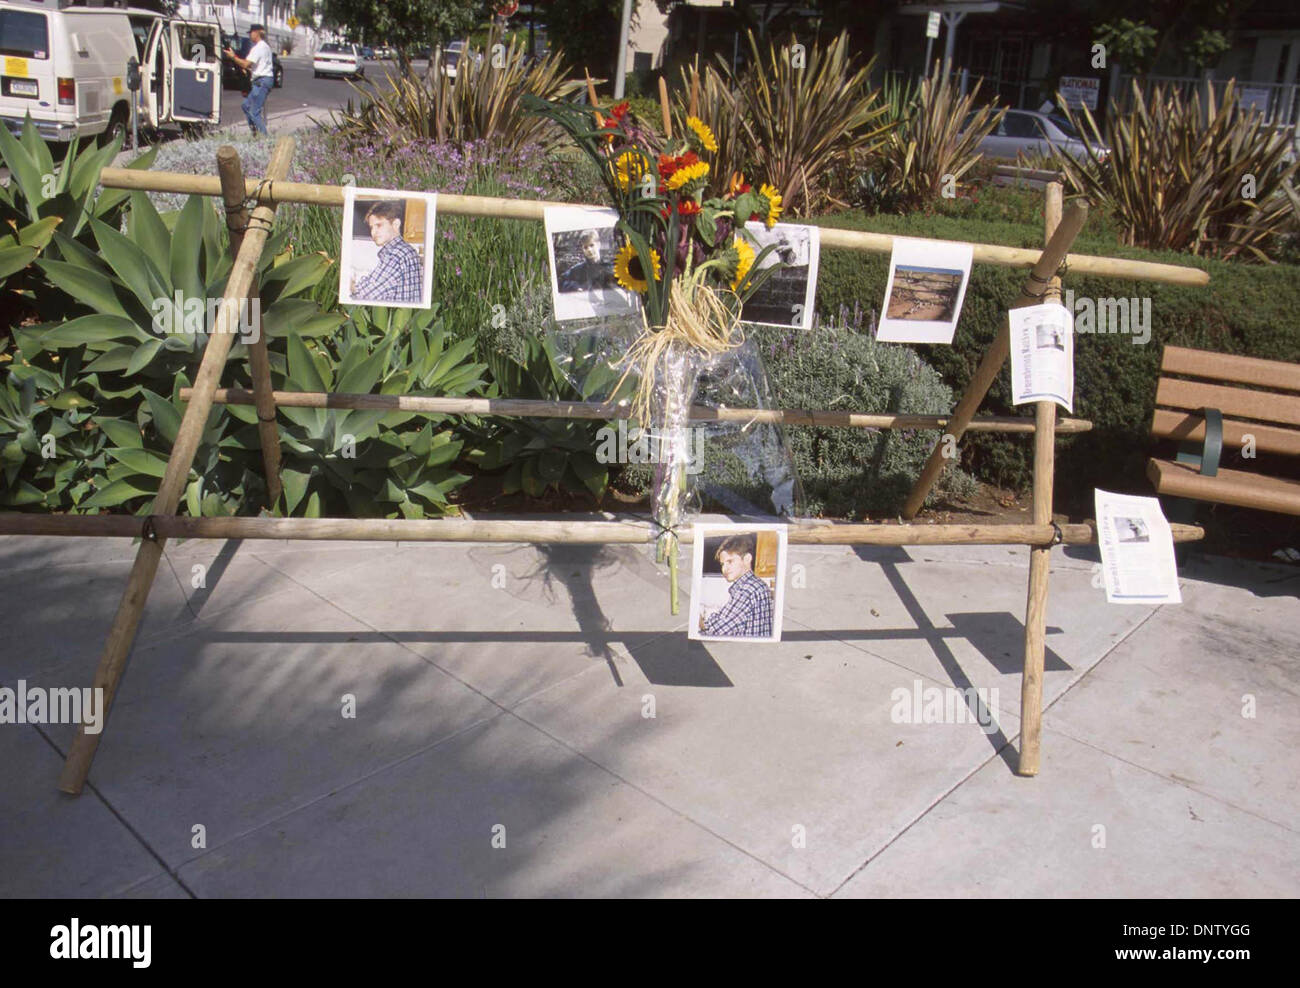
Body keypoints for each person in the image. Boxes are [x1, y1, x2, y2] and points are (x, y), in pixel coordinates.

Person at [699, 533, 774, 638]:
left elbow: (715, 630)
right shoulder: (755, 584)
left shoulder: (747, 590)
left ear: (747, 559)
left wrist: (699, 619)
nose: (724, 569)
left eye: (730, 561)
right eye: (722, 564)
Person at [350, 201, 424, 304]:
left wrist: (350, 285)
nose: (373, 232)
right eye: (371, 227)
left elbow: (365, 294)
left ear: (395, 224)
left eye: (379, 225)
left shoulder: (396, 254)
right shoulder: (405, 250)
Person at [225, 24, 274, 136]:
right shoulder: (265, 46)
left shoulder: (258, 48)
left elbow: (246, 63)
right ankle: (255, 133)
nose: (250, 35)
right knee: (246, 106)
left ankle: (264, 138)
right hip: (262, 80)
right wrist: (248, 69)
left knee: (254, 112)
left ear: (256, 33)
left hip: (262, 82)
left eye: (251, 32)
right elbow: (258, 65)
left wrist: (233, 57)